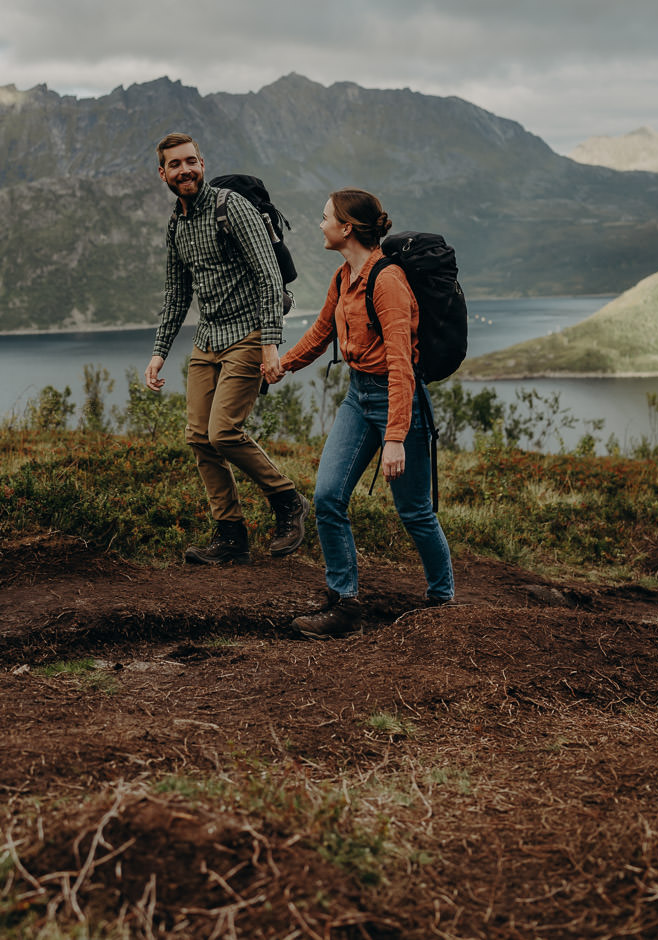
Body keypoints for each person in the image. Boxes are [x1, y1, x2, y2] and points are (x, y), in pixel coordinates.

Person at [262, 188, 453, 638]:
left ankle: (443, 603)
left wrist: (394, 437)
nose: (319, 222)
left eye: (325, 217)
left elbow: (402, 363)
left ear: (347, 228)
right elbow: (321, 331)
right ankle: (344, 603)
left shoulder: (386, 281)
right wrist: (282, 365)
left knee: (415, 511)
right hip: (357, 396)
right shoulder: (342, 276)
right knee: (328, 497)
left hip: (396, 398)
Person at [144, 133, 310, 565]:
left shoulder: (231, 207)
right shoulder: (176, 226)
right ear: (162, 174)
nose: (185, 170)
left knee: (224, 433)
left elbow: (269, 277)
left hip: (249, 334)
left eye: (191, 161)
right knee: (199, 438)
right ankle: (231, 537)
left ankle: (288, 501)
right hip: (208, 339)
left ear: (202, 162)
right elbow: (177, 294)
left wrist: (271, 344)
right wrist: (159, 351)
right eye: (175, 165)